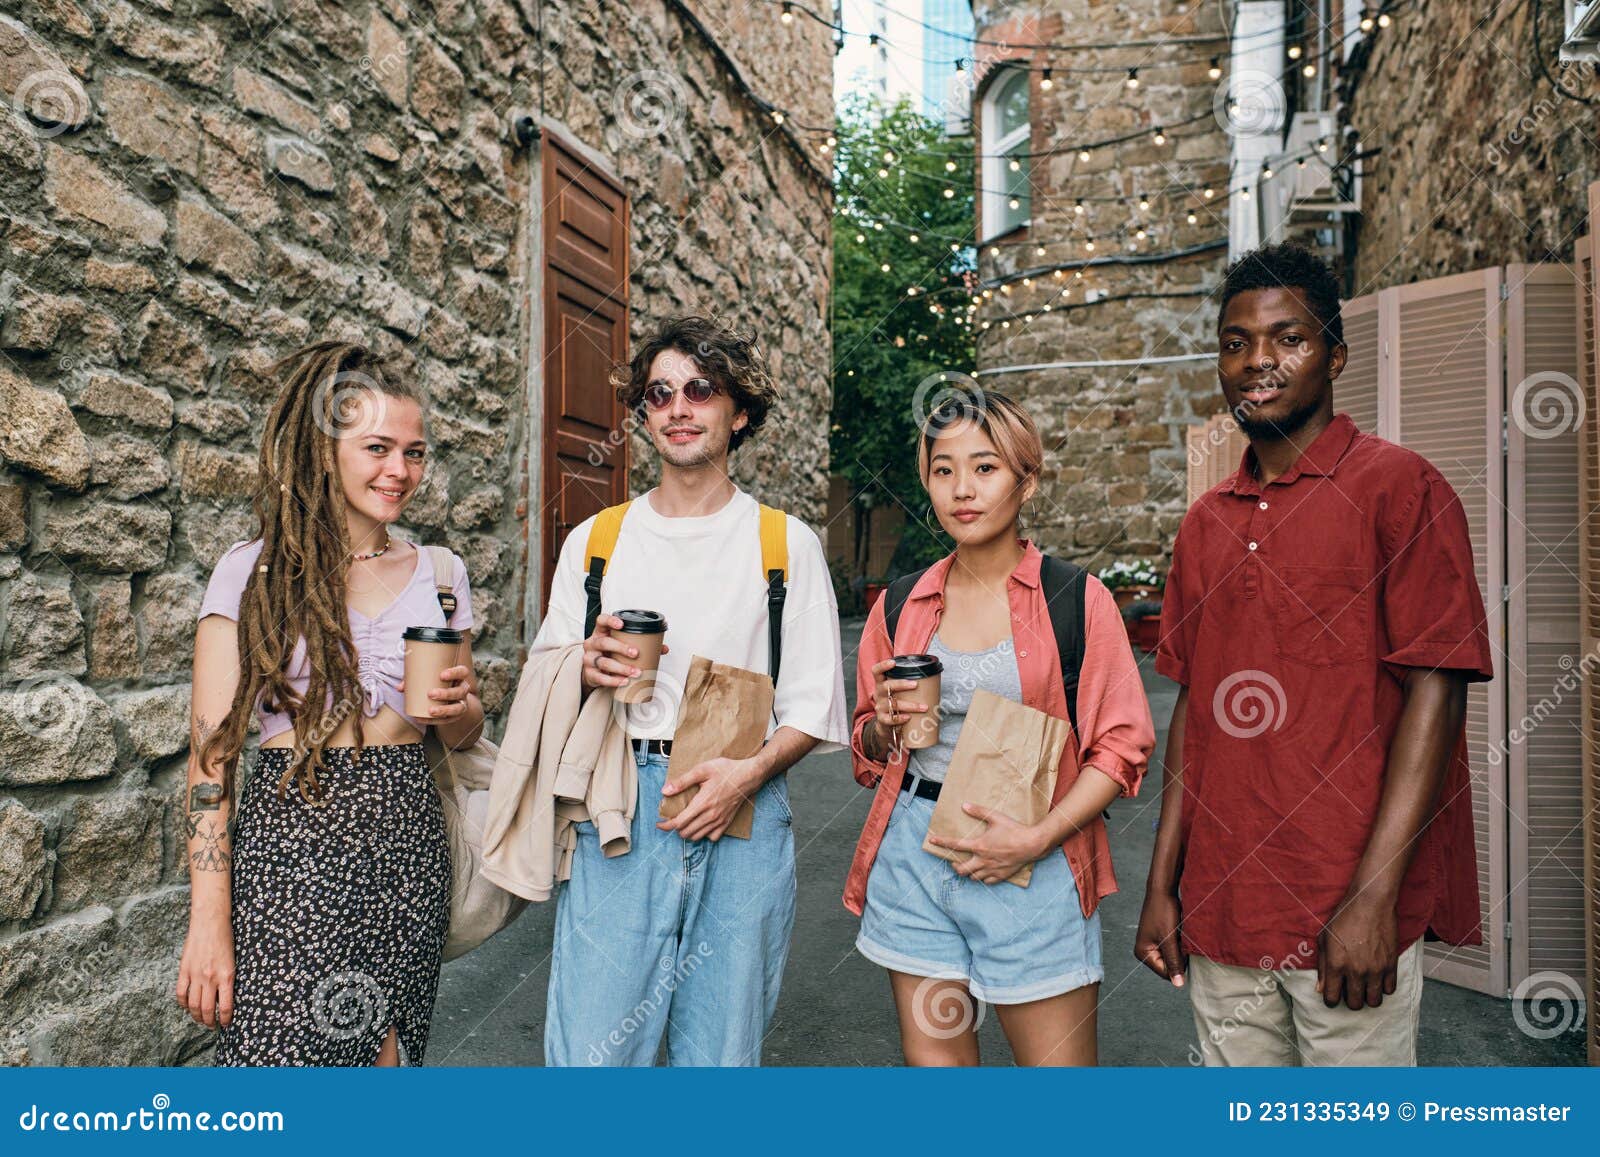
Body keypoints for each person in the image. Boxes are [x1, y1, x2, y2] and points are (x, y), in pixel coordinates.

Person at [1136, 243, 1494, 1066]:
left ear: (1334, 353)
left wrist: (1372, 897)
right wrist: (1164, 886)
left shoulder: (1402, 488)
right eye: (1236, 342)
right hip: (1226, 906)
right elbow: (1194, 709)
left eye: (1287, 338)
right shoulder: (1207, 523)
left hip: (1348, 910)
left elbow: (1437, 694)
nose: (1258, 361)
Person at [532, 316, 849, 1066]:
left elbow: (812, 706)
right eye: (659, 392)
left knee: (720, 1056)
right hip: (617, 800)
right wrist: (585, 665)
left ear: (738, 412)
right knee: (592, 1056)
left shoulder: (785, 545)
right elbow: (546, 672)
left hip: (744, 797)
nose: (678, 407)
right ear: (643, 413)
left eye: (701, 390)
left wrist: (748, 775)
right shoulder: (598, 541)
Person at [175, 342, 483, 1066]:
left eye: (414, 452)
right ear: (325, 448)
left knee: (384, 1065)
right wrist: (209, 923)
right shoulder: (250, 572)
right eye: (377, 447)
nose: (399, 471)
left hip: (408, 839)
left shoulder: (440, 574)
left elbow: (465, 735)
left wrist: (461, 709)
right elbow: (210, 760)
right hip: (292, 845)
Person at [845, 388, 1155, 1066]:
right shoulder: (902, 602)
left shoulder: (1076, 599)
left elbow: (1124, 744)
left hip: (1034, 863)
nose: (963, 489)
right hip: (915, 857)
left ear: (1027, 479)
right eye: (944, 469)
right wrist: (883, 727)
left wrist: (1037, 838)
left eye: (985, 468)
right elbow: (866, 745)